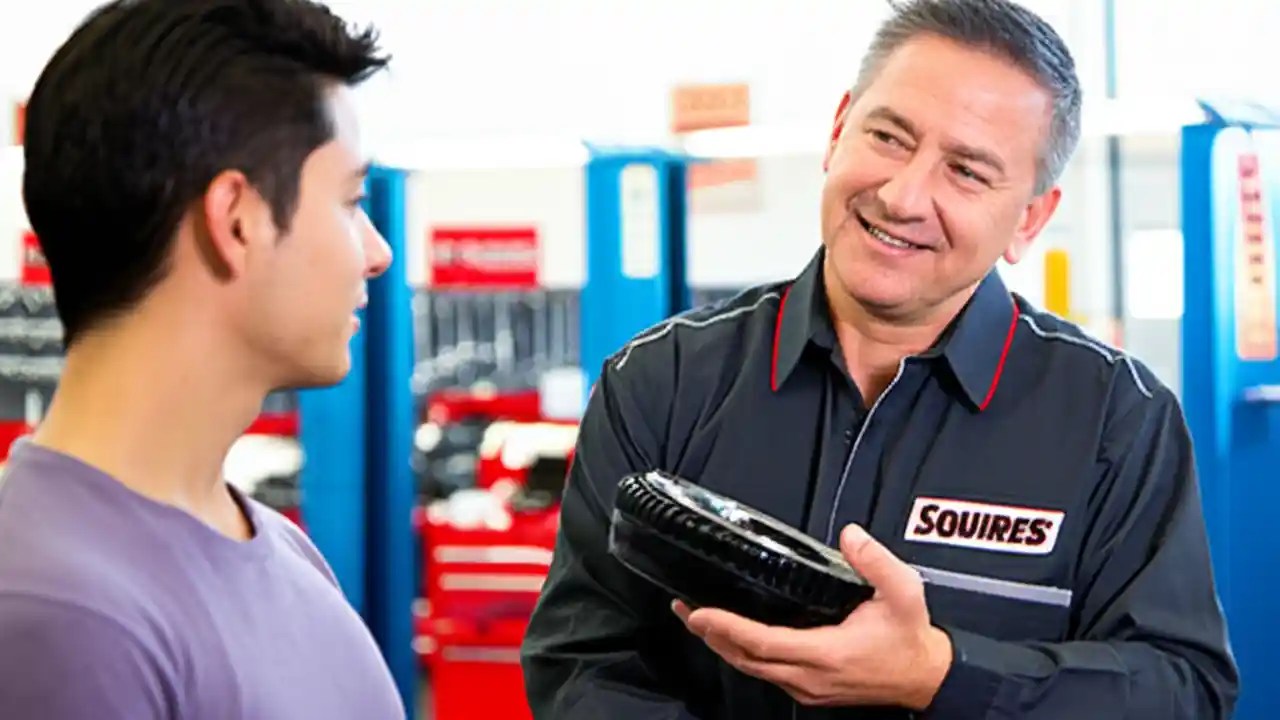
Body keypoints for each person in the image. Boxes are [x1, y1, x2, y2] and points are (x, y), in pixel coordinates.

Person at [521, 0, 1239, 718]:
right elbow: (581, 661)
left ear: (1029, 219)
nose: (902, 196)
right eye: (889, 137)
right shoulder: (662, 382)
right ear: (838, 131)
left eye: (965, 171)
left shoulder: (1113, 420)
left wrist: (939, 673)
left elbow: (1180, 691)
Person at [0, 1, 401, 719]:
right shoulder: (61, 619)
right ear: (237, 221)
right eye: (349, 201)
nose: (376, 253)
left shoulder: (281, 551)